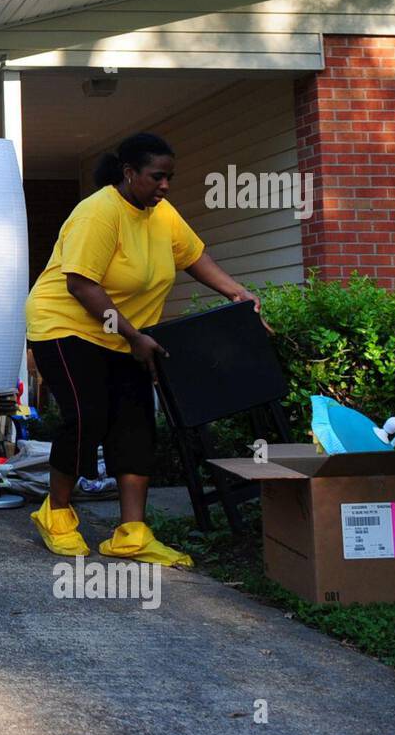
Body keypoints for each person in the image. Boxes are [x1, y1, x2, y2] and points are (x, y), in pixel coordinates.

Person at [24, 132, 263, 565]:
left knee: (136, 423)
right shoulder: (98, 214)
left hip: (126, 332)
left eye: (170, 177)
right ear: (129, 172)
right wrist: (134, 337)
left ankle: (131, 534)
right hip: (66, 326)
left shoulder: (162, 213)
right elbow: (80, 284)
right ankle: (55, 514)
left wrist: (237, 293)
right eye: (157, 177)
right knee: (87, 417)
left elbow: (194, 256)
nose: (166, 185)